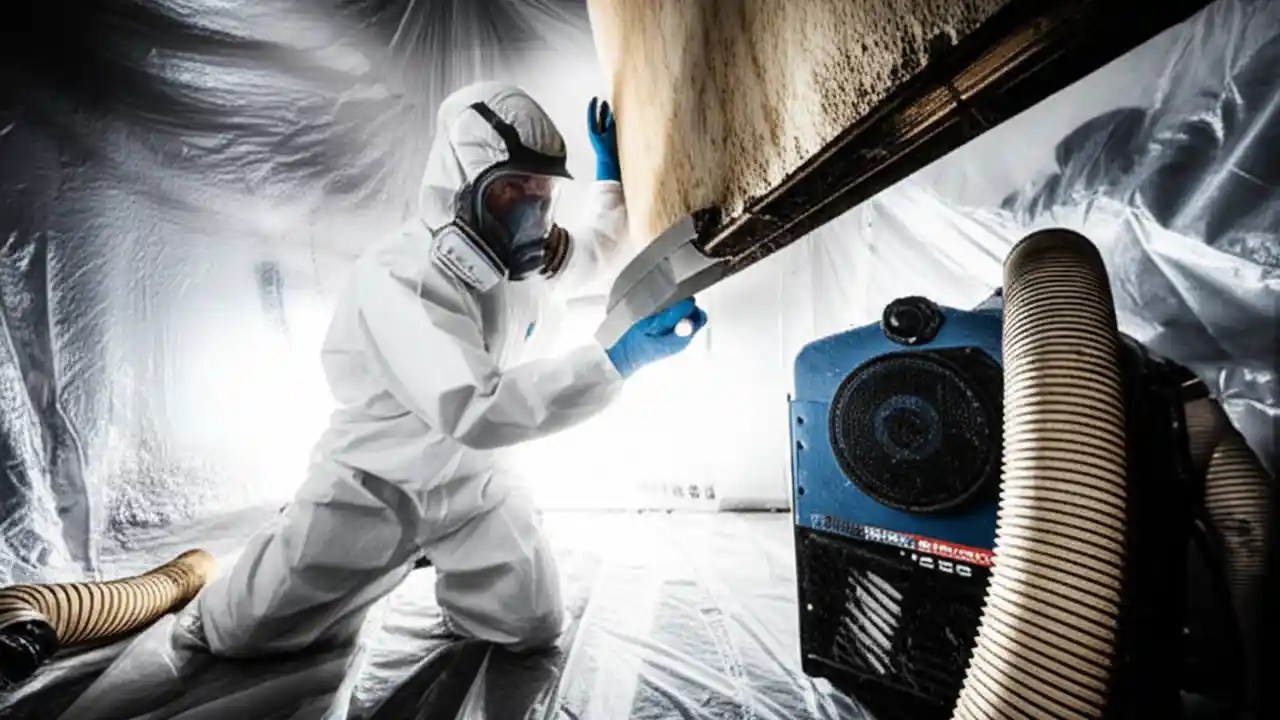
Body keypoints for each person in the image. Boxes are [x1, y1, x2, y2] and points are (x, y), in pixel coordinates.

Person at [178, 82, 707, 657]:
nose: (533, 211)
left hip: (470, 481)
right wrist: (615, 361)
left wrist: (609, 175)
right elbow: (476, 406)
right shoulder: (398, 276)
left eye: (543, 191)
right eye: (513, 190)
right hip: (377, 482)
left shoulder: (517, 262)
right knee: (243, 635)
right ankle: (253, 571)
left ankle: (454, 579)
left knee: (531, 625)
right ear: (463, 185)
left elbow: (595, 250)